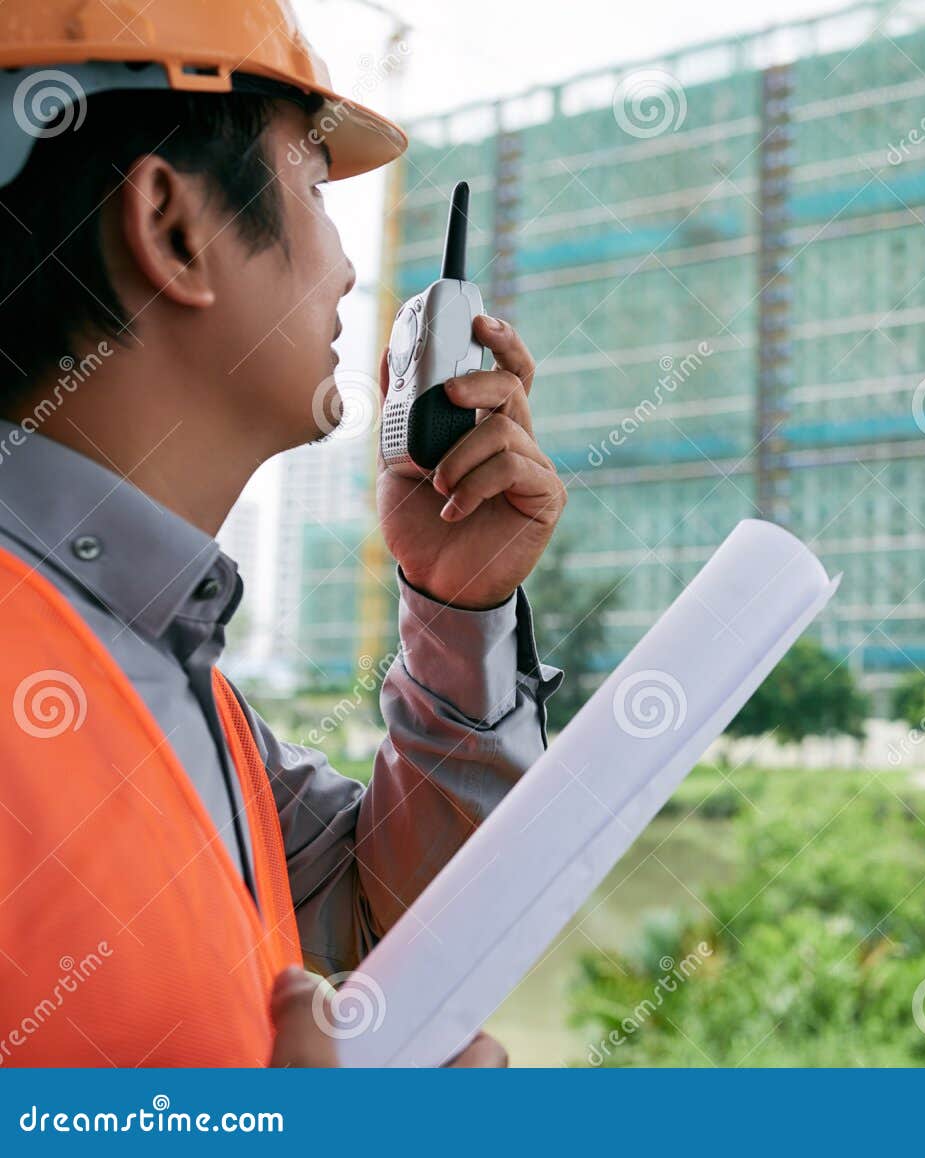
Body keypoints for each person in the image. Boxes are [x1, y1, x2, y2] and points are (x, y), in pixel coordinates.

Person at [0, 0, 566, 1066]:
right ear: (175, 227)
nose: (351, 268)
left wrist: (457, 605)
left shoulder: (165, 673)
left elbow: (397, 929)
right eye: (311, 185)